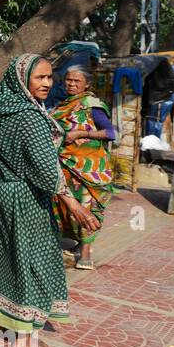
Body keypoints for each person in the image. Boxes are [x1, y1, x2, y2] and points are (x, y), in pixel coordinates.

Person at [0, 54, 99, 334]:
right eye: (40, 77)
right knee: (34, 255)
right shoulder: (29, 116)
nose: (47, 83)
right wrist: (73, 203)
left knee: (5, 253)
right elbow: (44, 165)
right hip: (23, 194)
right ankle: (21, 317)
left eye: (50, 77)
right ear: (22, 79)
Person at [51, 66, 116, 270]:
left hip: (89, 168)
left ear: (86, 84)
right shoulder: (61, 105)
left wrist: (81, 133)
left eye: (76, 81)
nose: (71, 84)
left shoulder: (91, 104)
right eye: (68, 80)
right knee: (63, 206)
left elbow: (111, 133)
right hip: (63, 165)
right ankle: (64, 243)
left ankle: (86, 251)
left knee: (87, 206)